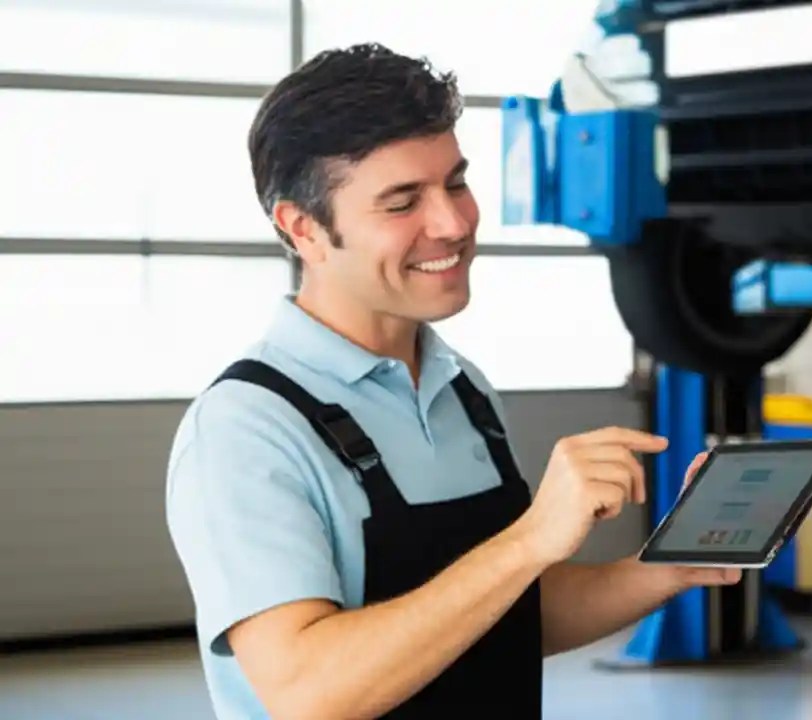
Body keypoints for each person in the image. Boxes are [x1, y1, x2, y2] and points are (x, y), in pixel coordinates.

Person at [164, 43, 740, 720]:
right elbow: (307, 691)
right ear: (304, 229)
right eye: (403, 201)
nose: (455, 223)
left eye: (456, 183)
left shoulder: (462, 388)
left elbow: (503, 617)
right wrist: (530, 539)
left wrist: (669, 565)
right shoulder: (246, 430)